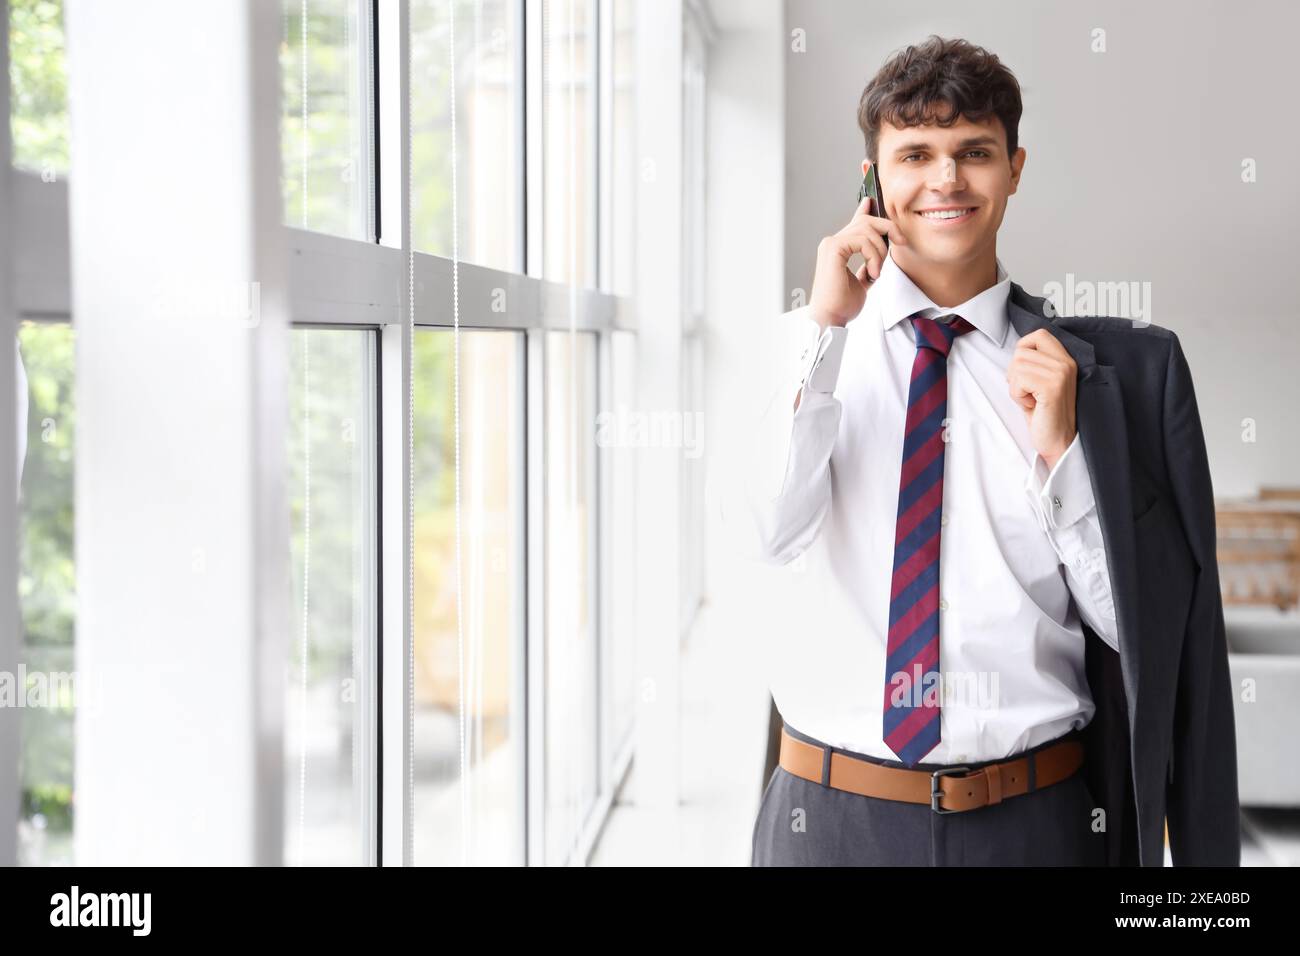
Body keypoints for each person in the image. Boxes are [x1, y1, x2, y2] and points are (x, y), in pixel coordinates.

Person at [736, 35, 1239, 866]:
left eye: (974, 152)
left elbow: (1147, 634)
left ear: (1014, 168)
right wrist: (825, 333)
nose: (945, 179)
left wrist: (1064, 458)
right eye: (915, 154)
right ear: (872, 180)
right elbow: (767, 531)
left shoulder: (1104, 381)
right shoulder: (794, 352)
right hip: (829, 823)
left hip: (1035, 823)